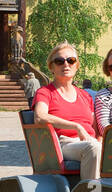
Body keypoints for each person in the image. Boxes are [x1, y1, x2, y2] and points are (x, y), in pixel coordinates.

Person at [32, 42, 101, 181]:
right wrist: (76, 126)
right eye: (59, 61)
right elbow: (39, 117)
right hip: (64, 144)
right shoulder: (45, 92)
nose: (66, 64)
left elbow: (95, 126)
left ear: (77, 66)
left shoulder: (85, 95)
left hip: (90, 141)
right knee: (93, 148)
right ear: (51, 67)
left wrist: (101, 140)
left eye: (71, 60)